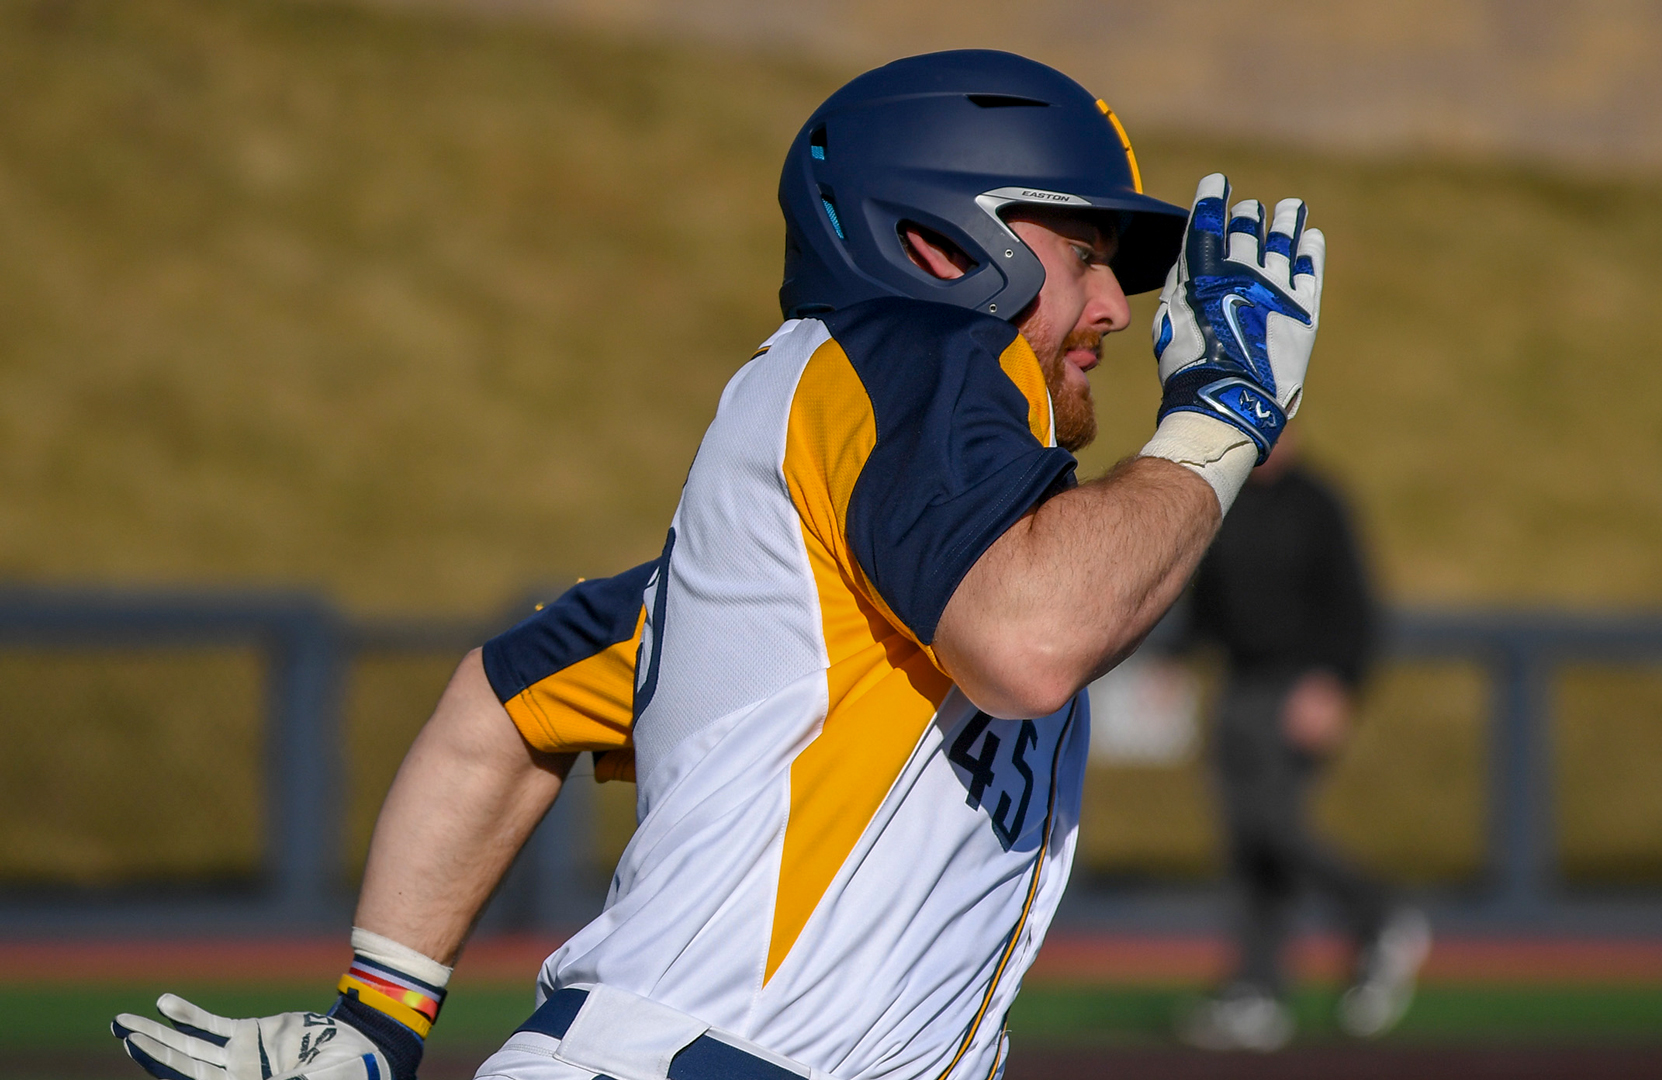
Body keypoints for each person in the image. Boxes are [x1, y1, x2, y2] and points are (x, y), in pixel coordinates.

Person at [111, 50, 1327, 1080]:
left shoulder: (822, 560)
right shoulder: (910, 347)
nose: (1116, 306)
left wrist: (378, 1022)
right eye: (1085, 251)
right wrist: (1222, 411)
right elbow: (1033, 638)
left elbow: (502, 707)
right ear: (939, 244)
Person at [1179, 427, 1428, 1051]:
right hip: (1239, 684)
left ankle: (1379, 913)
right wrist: (1175, 657)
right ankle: (1258, 991)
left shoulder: (1316, 501)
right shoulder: (1227, 494)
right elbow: (1206, 595)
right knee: (1248, 843)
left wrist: (1333, 682)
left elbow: (1354, 607)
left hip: (1296, 689)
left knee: (1273, 826)